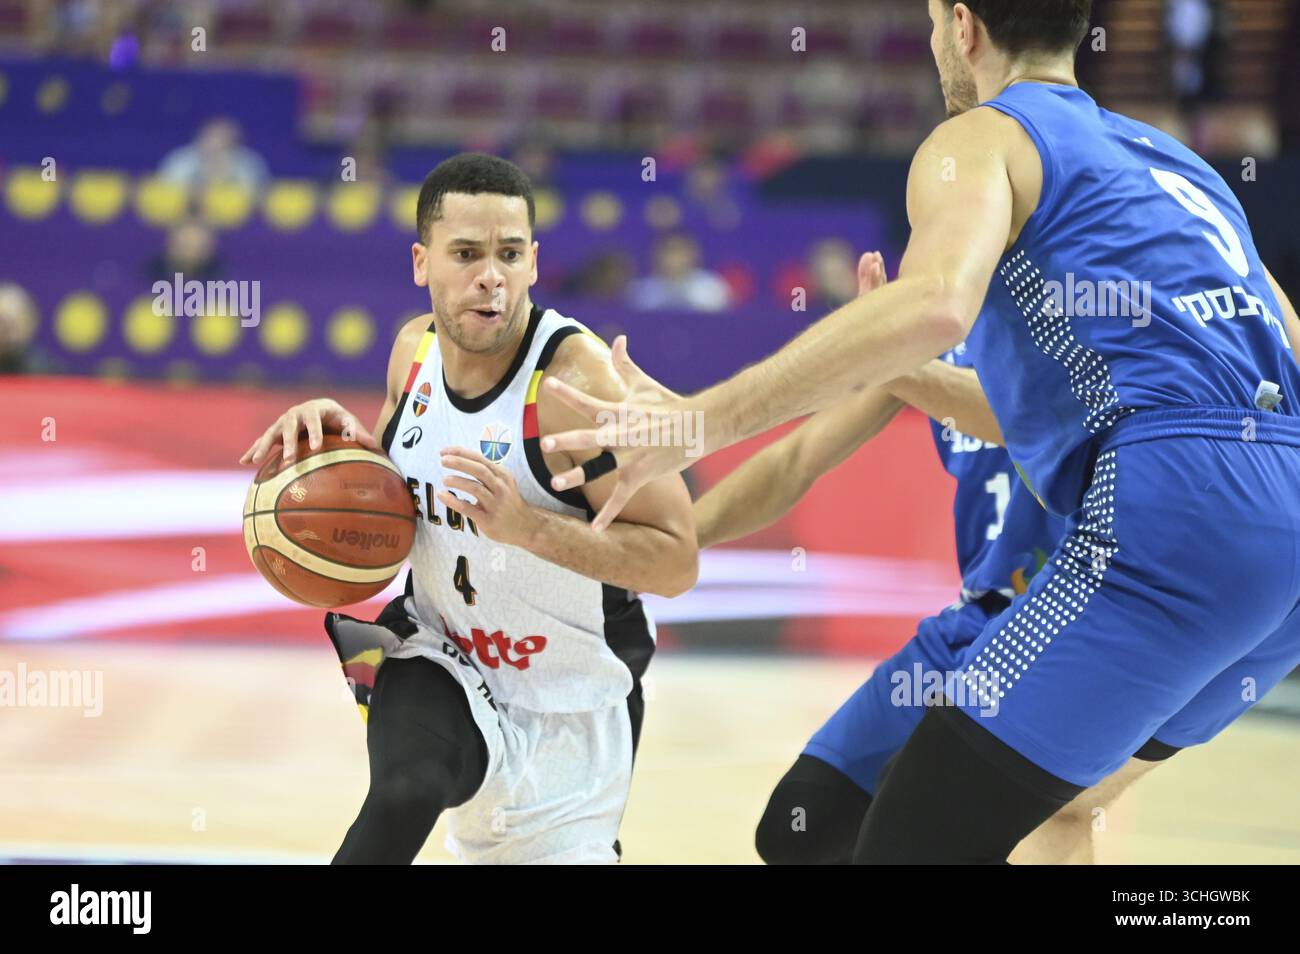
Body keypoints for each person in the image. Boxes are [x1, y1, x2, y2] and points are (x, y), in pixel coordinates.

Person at [539, 0, 1300, 863]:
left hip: (1168, 512)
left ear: (964, 26)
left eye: (935, 18)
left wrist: (696, 420)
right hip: (1281, 537)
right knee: (962, 815)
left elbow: (935, 302)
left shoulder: (984, 138)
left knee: (915, 839)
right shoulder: (1184, 172)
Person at [239, 153, 697, 864]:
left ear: (535, 263)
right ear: (422, 262)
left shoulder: (577, 383)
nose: (491, 276)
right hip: (442, 654)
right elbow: (396, 490)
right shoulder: (410, 355)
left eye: (510, 254)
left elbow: (675, 562)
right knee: (403, 791)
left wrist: (530, 528)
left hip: (571, 710)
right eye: (466, 254)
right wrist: (332, 450)